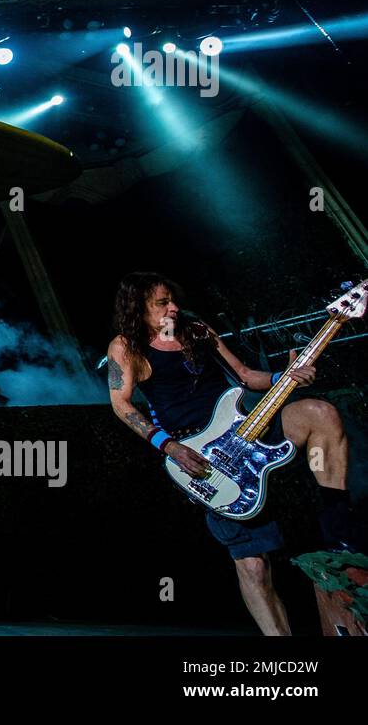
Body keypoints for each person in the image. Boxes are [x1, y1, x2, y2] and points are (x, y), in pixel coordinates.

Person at [106, 271, 359, 635]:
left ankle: (340, 527)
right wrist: (169, 446)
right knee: (254, 565)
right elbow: (122, 404)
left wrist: (282, 376)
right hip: (200, 454)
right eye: (162, 303)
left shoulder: (196, 329)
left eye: (173, 299)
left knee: (320, 413)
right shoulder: (126, 346)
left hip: (243, 426)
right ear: (138, 308)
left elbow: (243, 375)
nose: (174, 307)